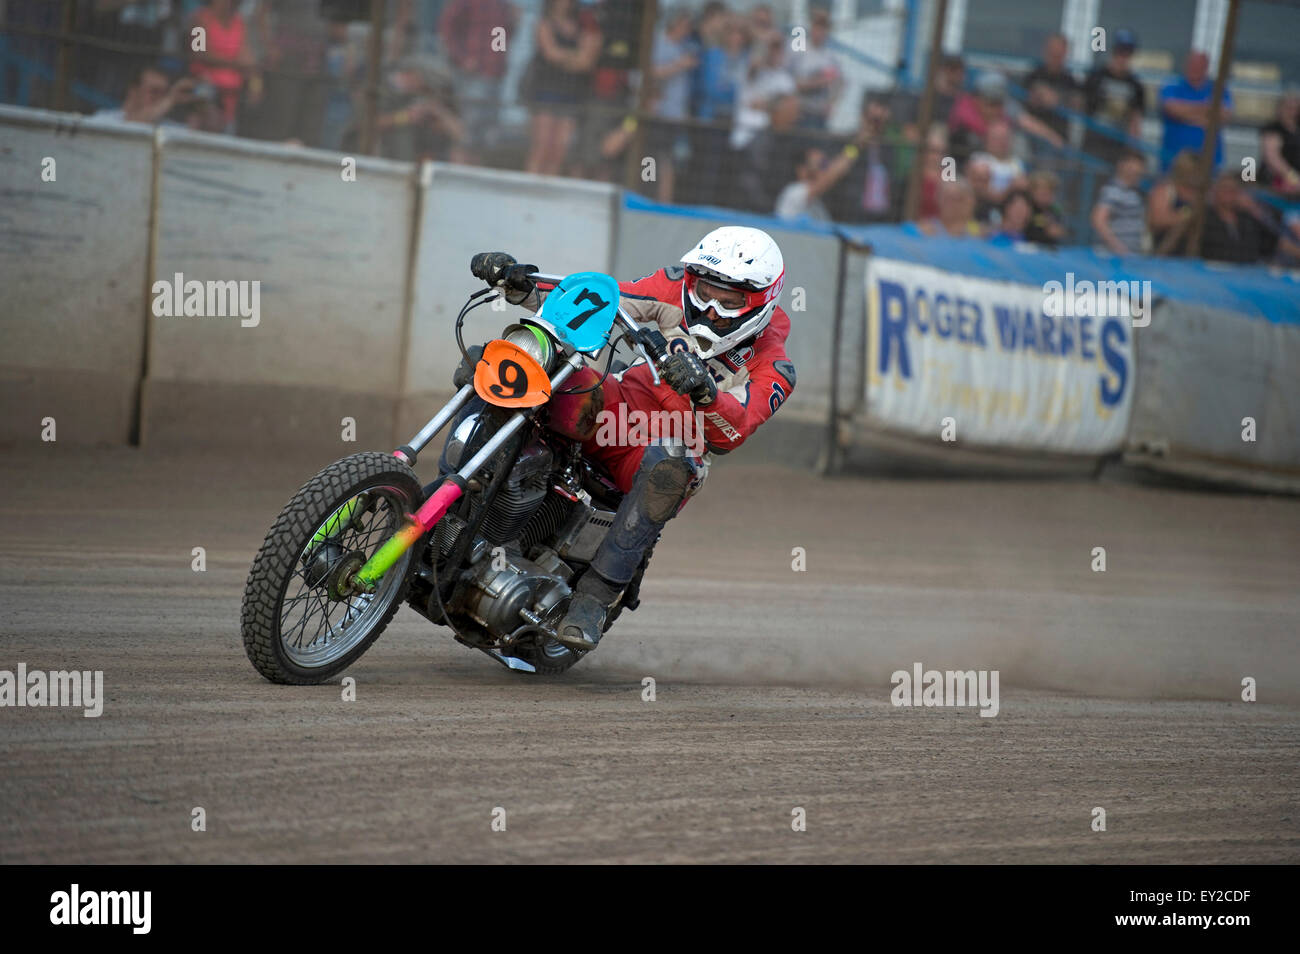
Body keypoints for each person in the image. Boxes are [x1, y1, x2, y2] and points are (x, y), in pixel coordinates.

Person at [463, 227, 795, 650]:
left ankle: (595, 598)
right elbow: (603, 299)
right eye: (706, 292)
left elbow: (737, 429)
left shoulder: (774, 366)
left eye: (728, 302)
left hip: (660, 447)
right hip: (612, 404)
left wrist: (707, 394)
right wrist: (524, 285)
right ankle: (469, 492)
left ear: (762, 302)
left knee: (672, 464)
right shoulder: (674, 288)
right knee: (510, 362)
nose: (710, 310)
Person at [526, 0, 602, 176]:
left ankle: (548, 191)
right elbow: (550, 53)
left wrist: (564, 57)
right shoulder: (543, 23)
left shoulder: (582, 26)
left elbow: (586, 62)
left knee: (559, 149)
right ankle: (529, 189)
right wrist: (574, 57)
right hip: (545, 91)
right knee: (542, 145)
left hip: (571, 93)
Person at [438, 0, 516, 163]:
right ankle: (458, 176)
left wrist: (498, 61)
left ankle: (472, 178)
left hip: (494, 77)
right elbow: (447, 27)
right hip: (471, 76)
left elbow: (500, 34)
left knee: (482, 137)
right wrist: (462, 58)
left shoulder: (502, 5)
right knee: (466, 134)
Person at [647, 6, 699, 202]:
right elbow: (653, 73)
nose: (687, 29)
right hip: (661, 113)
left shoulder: (684, 47)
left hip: (676, 116)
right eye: (684, 25)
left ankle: (665, 200)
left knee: (671, 160)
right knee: (655, 159)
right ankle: (655, 198)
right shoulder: (660, 44)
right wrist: (679, 65)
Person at [1081, 28, 1146, 166]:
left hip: (1118, 146)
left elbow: (1135, 119)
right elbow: (1082, 104)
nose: (1123, 57)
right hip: (1093, 142)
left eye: (1127, 53)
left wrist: (1133, 147)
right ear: (1114, 51)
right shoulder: (1096, 77)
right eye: (1120, 52)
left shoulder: (1135, 85)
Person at [187, 0, 253, 133]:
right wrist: (234, 63)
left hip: (233, 94)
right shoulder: (199, 18)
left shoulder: (239, 22)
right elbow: (198, 52)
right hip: (205, 87)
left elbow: (247, 57)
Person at [1159, 50, 1231, 172]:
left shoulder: (1218, 89)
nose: (1194, 69)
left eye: (1199, 65)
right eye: (1192, 64)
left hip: (1209, 160)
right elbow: (1172, 109)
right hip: (1174, 158)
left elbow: (1224, 115)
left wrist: (1185, 114)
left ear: (1206, 67)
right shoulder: (1172, 85)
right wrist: (1207, 111)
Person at [88, 63, 193, 125]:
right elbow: (132, 127)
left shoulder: (169, 127)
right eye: (154, 91)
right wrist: (171, 99)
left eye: (164, 93)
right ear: (133, 92)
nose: (161, 98)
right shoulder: (103, 121)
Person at [775, 144, 857, 222]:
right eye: (821, 165)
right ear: (802, 170)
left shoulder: (818, 204)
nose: (827, 169)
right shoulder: (794, 191)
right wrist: (855, 147)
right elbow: (832, 176)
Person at [789, 7, 841, 130]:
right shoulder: (799, 49)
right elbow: (793, 83)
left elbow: (840, 82)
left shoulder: (830, 56)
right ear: (811, 27)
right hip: (799, 112)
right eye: (817, 26)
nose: (820, 32)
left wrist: (832, 103)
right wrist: (818, 82)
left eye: (823, 28)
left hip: (819, 114)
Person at [1023, 33, 1078, 145]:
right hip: (1033, 136)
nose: (1055, 57)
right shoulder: (1033, 76)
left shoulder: (1070, 81)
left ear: (1065, 54)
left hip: (1059, 139)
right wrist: (1038, 95)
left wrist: (1059, 100)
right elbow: (1022, 103)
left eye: (1059, 54)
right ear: (1046, 52)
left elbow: (1077, 105)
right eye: (1052, 53)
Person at [1091, 150, 1147, 255]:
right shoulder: (1113, 190)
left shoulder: (1134, 192)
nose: (1138, 170)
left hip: (1129, 257)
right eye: (1133, 166)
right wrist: (1118, 247)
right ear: (1122, 165)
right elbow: (1098, 220)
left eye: (1141, 167)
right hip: (1112, 257)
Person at [969, 119, 1025, 200]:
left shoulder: (1017, 163)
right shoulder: (978, 159)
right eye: (997, 138)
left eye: (1005, 138)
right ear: (987, 139)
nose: (1002, 142)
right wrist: (1009, 190)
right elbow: (980, 190)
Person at [1260, 89, 1300, 196]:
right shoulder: (1273, 129)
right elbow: (1273, 158)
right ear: (1280, 108)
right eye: (1288, 108)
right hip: (1278, 182)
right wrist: (1293, 178)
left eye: (1295, 108)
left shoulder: (1297, 129)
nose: (1292, 111)